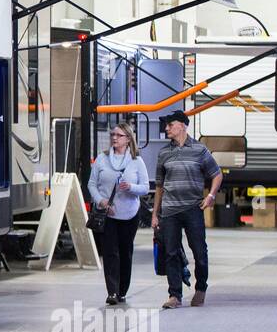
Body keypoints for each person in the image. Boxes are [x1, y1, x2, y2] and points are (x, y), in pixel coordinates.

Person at [152, 110, 222, 309]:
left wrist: (211, 195)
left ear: (182, 125)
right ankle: (175, 295)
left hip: (192, 208)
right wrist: (155, 214)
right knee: (171, 252)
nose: (166, 128)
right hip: (170, 210)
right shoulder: (164, 152)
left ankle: (201, 288)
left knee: (199, 251)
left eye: (169, 124)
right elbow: (159, 185)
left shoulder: (199, 150)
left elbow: (216, 174)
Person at [87, 122, 150, 306]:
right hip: (108, 214)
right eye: (113, 134)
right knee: (110, 253)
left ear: (128, 139)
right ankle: (112, 292)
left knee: (125, 252)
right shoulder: (102, 159)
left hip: (130, 214)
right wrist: (101, 200)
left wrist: (131, 187)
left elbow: (145, 188)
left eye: (119, 135)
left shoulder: (136, 161)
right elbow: (92, 184)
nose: (114, 138)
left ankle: (122, 290)